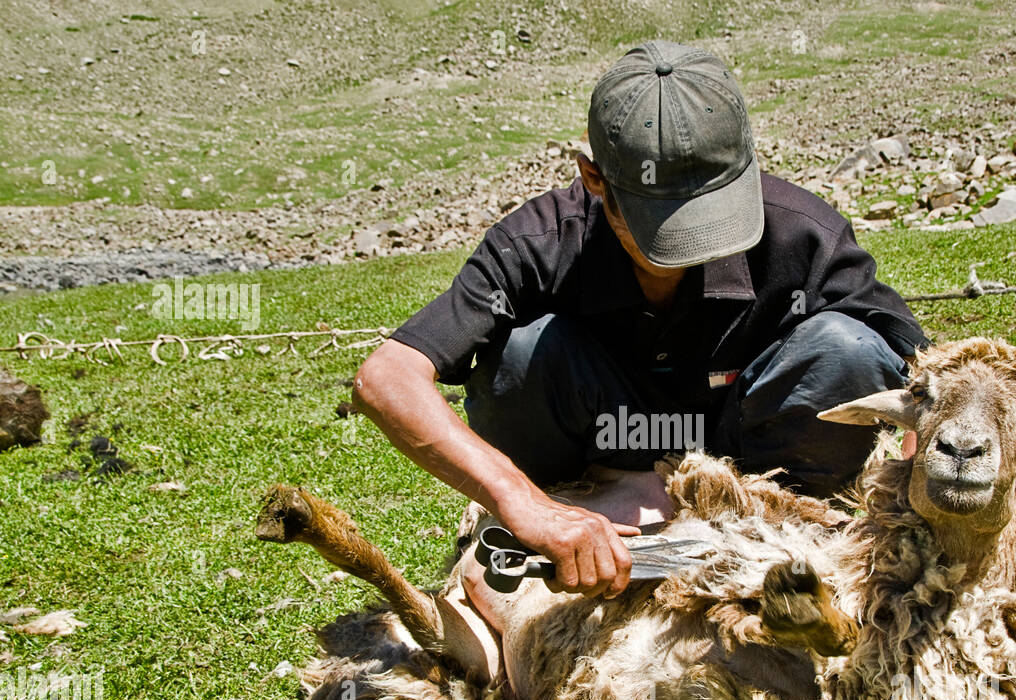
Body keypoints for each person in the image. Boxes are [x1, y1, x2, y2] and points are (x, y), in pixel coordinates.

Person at [352, 40, 927, 604]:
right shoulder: (538, 243)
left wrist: (909, 507)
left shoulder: (802, 232)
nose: (694, 249)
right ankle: (579, 516)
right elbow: (386, 378)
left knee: (849, 348)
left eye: (712, 217)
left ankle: (796, 536)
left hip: (755, 466)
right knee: (522, 355)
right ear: (594, 178)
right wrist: (526, 505)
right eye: (667, 227)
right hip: (601, 456)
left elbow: (930, 375)